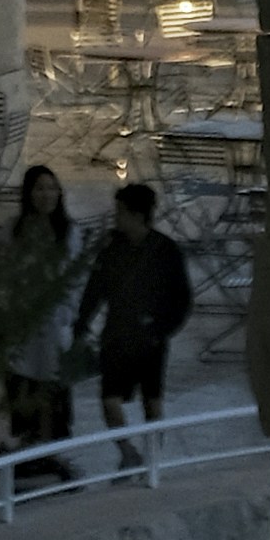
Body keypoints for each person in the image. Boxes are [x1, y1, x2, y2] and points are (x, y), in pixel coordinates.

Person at [69, 175, 193, 460]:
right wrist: (82, 324)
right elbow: (95, 290)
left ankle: (151, 457)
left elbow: (181, 298)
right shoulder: (113, 250)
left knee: (152, 401)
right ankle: (128, 452)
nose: (116, 218)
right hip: (117, 335)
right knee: (110, 398)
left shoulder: (165, 251)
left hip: (150, 338)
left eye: (120, 213)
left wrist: (161, 330)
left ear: (136, 215)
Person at [0, 161, 77, 484]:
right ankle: (29, 440)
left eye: (51, 188)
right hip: (22, 319)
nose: (46, 195)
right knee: (23, 379)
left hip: (55, 318)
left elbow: (74, 276)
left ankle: (49, 443)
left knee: (51, 383)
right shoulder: (13, 229)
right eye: (40, 188)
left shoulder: (69, 232)